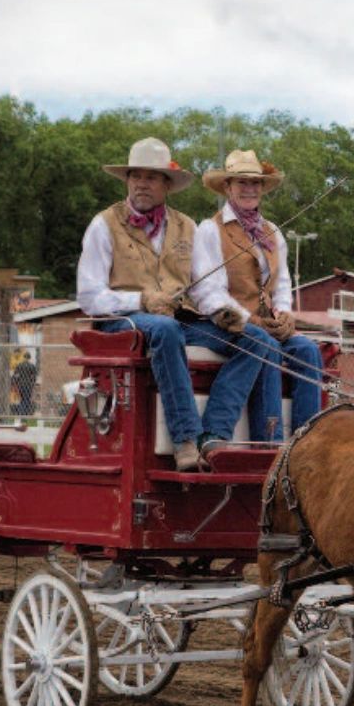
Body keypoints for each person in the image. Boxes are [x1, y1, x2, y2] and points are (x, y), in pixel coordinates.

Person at [76, 137, 278, 470]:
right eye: (136, 176)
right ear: (127, 181)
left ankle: (213, 435)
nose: (142, 184)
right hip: (121, 322)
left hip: (177, 317)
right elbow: (88, 296)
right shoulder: (104, 225)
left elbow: (203, 288)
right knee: (166, 329)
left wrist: (224, 312)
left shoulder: (187, 226)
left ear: (166, 184)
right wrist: (140, 298)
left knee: (257, 341)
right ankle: (185, 439)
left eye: (151, 177)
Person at [192, 150, 322, 440]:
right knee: (264, 344)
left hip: (267, 323)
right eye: (241, 182)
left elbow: (283, 282)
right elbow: (208, 292)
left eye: (255, 183)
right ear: (227, 187)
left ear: (262, 189)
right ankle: (269, 442)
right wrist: (250, 320)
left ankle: (307, 438)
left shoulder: (272, 231)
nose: (249, 189)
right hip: (225, 324)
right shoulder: (210, 231)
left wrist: (285, 313)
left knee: (308, 350)